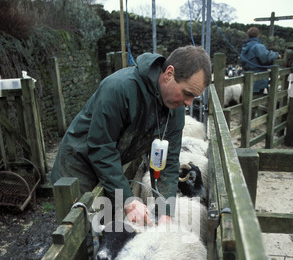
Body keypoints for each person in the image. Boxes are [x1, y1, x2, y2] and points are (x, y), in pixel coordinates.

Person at [50, 45, 211, 226]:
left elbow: (169, 161)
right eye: (187, 93)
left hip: (111, 163)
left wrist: (166, 212)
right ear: (169, 74)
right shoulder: (119, 88)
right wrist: (127, 199)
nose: (189, 104)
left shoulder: (176, 109)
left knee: (109, 228)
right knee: (81, 231)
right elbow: (101, 147)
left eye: (194, 98)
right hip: (78, 167)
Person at [240, 26, 281, 95]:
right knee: (256, 100)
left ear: (248, 36)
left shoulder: (244, 48)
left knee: (248, 100)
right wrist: (276, 55)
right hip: (258, 80)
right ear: (258, 36)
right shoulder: (258, 46)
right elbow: (266, 58)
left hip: (247, 78)